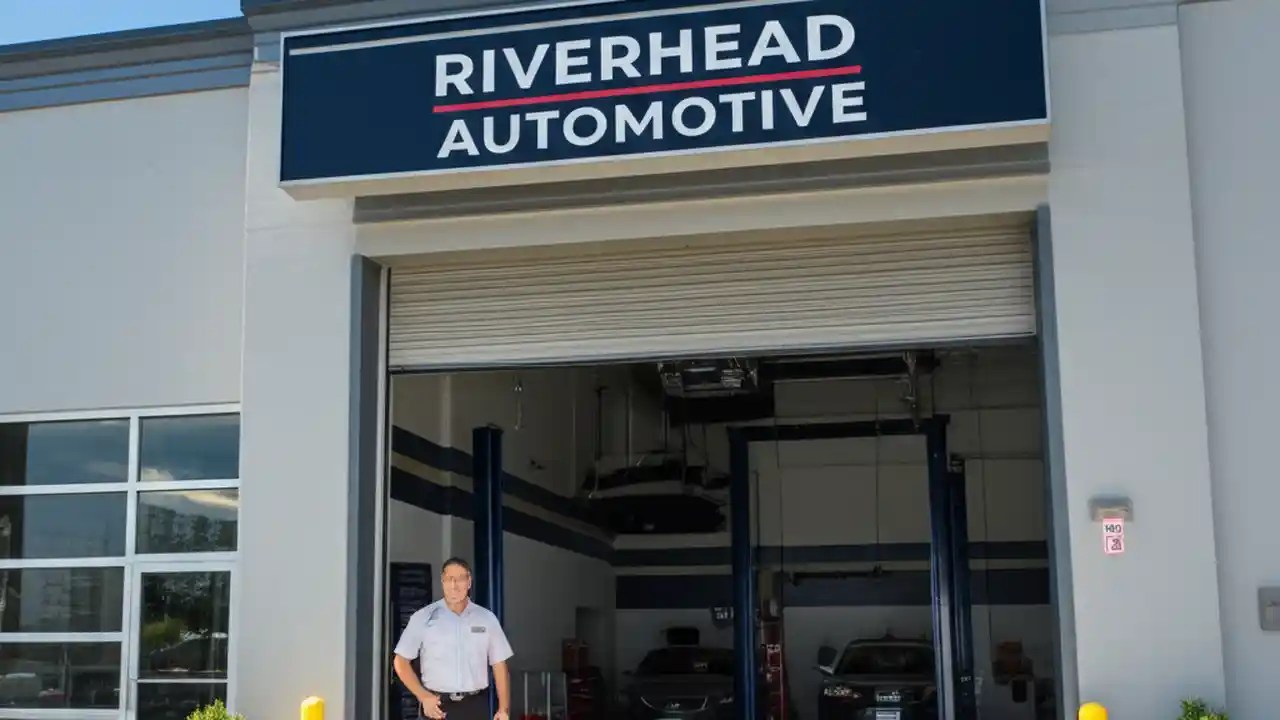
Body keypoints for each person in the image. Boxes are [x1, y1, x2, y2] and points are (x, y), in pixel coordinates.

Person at [392, 557, 514, 720]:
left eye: (460, 579)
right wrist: (423, 696)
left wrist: (503, 709)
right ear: (442, 582)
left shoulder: (486, 619)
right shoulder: (423, 617)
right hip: (437, 707)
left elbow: (499, 665)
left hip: (474, 707)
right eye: (449, 579)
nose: (454, 585)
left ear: (469, 582)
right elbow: (400, 661)